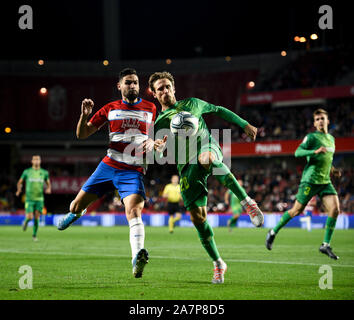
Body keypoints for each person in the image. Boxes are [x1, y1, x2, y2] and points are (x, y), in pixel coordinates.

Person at [145, 71, 264, 284]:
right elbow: (158, 154)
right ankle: (218, 263)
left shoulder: (193, 104)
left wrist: (243, 123)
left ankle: (248, 202)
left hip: (208, 148)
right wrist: (160, 149)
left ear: (173, 88)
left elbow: (218, 110)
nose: (164, 91)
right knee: (198, 218)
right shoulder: (159, 122)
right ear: (154, 94)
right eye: (159, 89)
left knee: (207, 157)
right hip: (187, 167)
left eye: (167, 86)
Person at [57, 68, 158, 278]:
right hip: (109, 165)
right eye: (128, 82)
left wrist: (152, 141)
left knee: (134, 212)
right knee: (75, 205)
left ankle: (137, 258)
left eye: (136, 82)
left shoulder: (151, 108)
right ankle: (76, 213)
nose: (133, 86)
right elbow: (82, 134)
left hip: (132, 171)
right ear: (119, 86)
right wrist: (83, 116)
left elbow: (156, 135)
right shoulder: (110, 108)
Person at [265, 108, 341, 260]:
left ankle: (325, 245)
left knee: (335, 210)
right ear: (314, 123)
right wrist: (313, 152)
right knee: (296, 211)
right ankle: (273, 232)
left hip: (325, 181)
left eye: (322, 118)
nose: (320, 121)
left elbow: (327, 159)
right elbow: (297, 153)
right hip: (310, 181)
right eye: (317, 119)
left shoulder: (331, 139)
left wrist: (333, 170)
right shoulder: (311, 137)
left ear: (328, 121)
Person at [16, 155, 51, 241]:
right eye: (34, 159)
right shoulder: (27, 172)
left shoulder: (44, 172)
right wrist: (19, 190)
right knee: (30, 217)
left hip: (39, 199)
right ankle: (25, 222)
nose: (36, 161)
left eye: (38, 159)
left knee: (36, 217)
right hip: (29, 199)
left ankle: (34, 235)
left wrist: (49, 188)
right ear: (32, 161)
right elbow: (20, 182)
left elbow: (48, 182)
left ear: (40, 161)